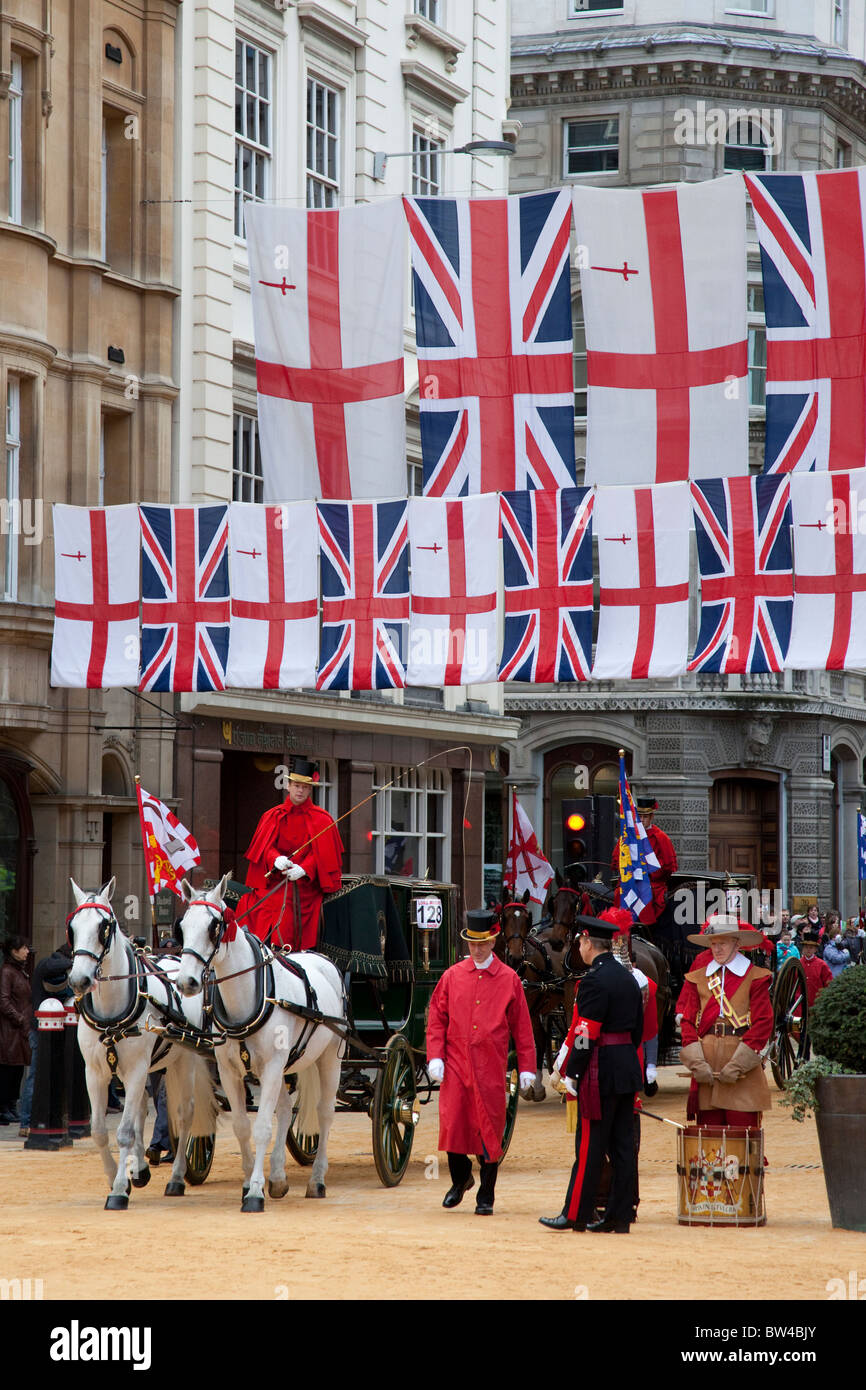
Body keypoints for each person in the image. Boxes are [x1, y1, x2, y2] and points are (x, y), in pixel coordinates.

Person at [426, 910, 535, 1215]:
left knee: (489, 1128)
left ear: (493, 941)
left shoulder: (509, 979)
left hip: (490, 1065)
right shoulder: (452, 976)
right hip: (457, 1062)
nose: (477, 950)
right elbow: (437, 1020)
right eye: (473, 944)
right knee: (454, 1123)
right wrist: (435, 1055)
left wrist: (527, 1065)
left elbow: (522, 1027)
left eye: (483, 944)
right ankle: (460, 1179)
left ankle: (486, 1194)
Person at [539, 916, 644, 1234]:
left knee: (590, 1147)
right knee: (623, 1147)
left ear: (587, 943)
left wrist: (573, 1072)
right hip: (625, 1066)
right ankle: (620, 1214)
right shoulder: (628, 978)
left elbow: (585, 1033)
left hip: (600, 1071)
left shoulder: (594, 981)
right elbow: (637, 1030)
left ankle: (576, 1213)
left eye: (580, 942)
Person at [678, 914, 773, 1128]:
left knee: (742, 1135)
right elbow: (687, 1021)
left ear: (737, 944)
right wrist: (696, 1062)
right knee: (709, 1139)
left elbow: (763, 1024)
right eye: (713, 944)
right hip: (706, 1061)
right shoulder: (698, 978)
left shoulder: (756, 977)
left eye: (722, 943)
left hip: (741, 1060)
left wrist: (739, 1064)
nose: (717, 949)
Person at [243, 757, 344, 951]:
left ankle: (285, 951)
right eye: (296, 785)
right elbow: (265, 847)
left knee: (287, 907)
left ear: (310, 789)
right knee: (252, 904)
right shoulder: (272, 815)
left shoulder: (323, 819)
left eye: (305, 787)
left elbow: (323, 854)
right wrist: (275, 859)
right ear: (288, 786)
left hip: (305, 887)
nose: (300, 790)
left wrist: (304, 869)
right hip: (275, 881)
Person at [19, 938, 73, 1137]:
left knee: (44, 1077)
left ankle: (40, 1119)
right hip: (40, 1030)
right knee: (35, 1077)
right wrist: (76, 961)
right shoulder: (48, 963)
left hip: (49, 1031)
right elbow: (52, 965)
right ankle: (26, 1121)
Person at [610, 794, 678, 927]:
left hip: (652, 882)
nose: (641, 819)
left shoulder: (661, 838)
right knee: (620, 892)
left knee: (644, 892)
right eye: (639, 816)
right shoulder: (627, 836)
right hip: (630, 880)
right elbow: (618, 861)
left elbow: (667, 868)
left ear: (652, 817)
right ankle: (620, 926)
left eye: (645, 817)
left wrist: (645, 872)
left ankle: (645, 927)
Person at [0, 936, 33, 1125]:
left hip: (20, 1030)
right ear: (14, 951)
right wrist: (20, 1019)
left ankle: (11, 1106)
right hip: (10, 1030)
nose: (27, 951)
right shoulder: (7, 972)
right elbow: (3, 1000)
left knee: (16, 1071)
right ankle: (3, 1108)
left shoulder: (20, 971)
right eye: (24, 948)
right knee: (7, 1070)